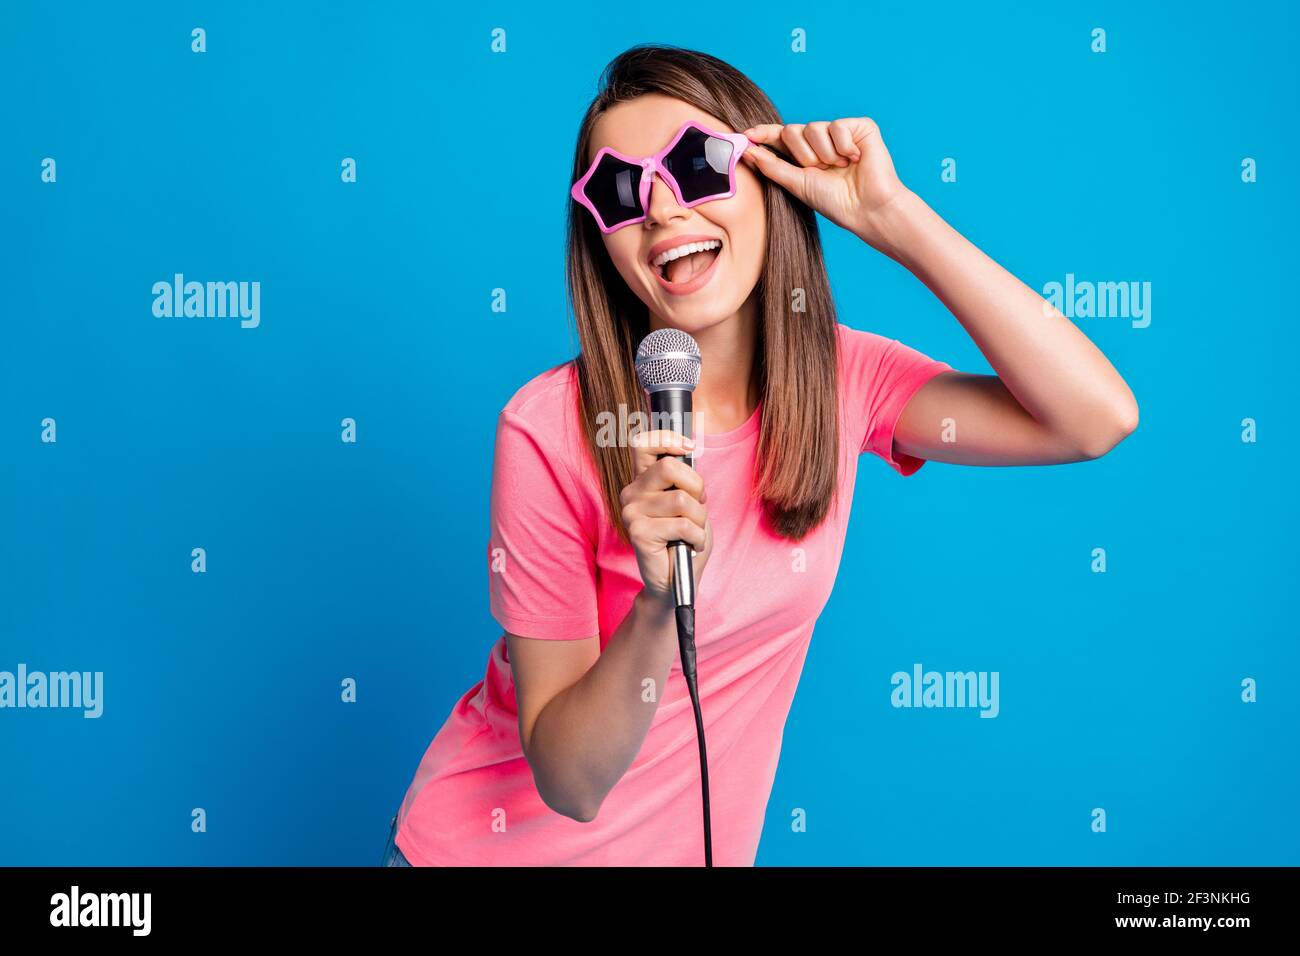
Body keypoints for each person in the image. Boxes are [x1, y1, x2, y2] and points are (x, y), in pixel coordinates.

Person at [385, 44, 1138, 867]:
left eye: (699, 165)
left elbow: (1093, 419)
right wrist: (654, 605)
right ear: (599, 239)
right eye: (619, 192)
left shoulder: (846, 380)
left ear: (772, 178)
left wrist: (893, 218)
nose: (665, 211)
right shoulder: (549, 431)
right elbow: (571, 784)